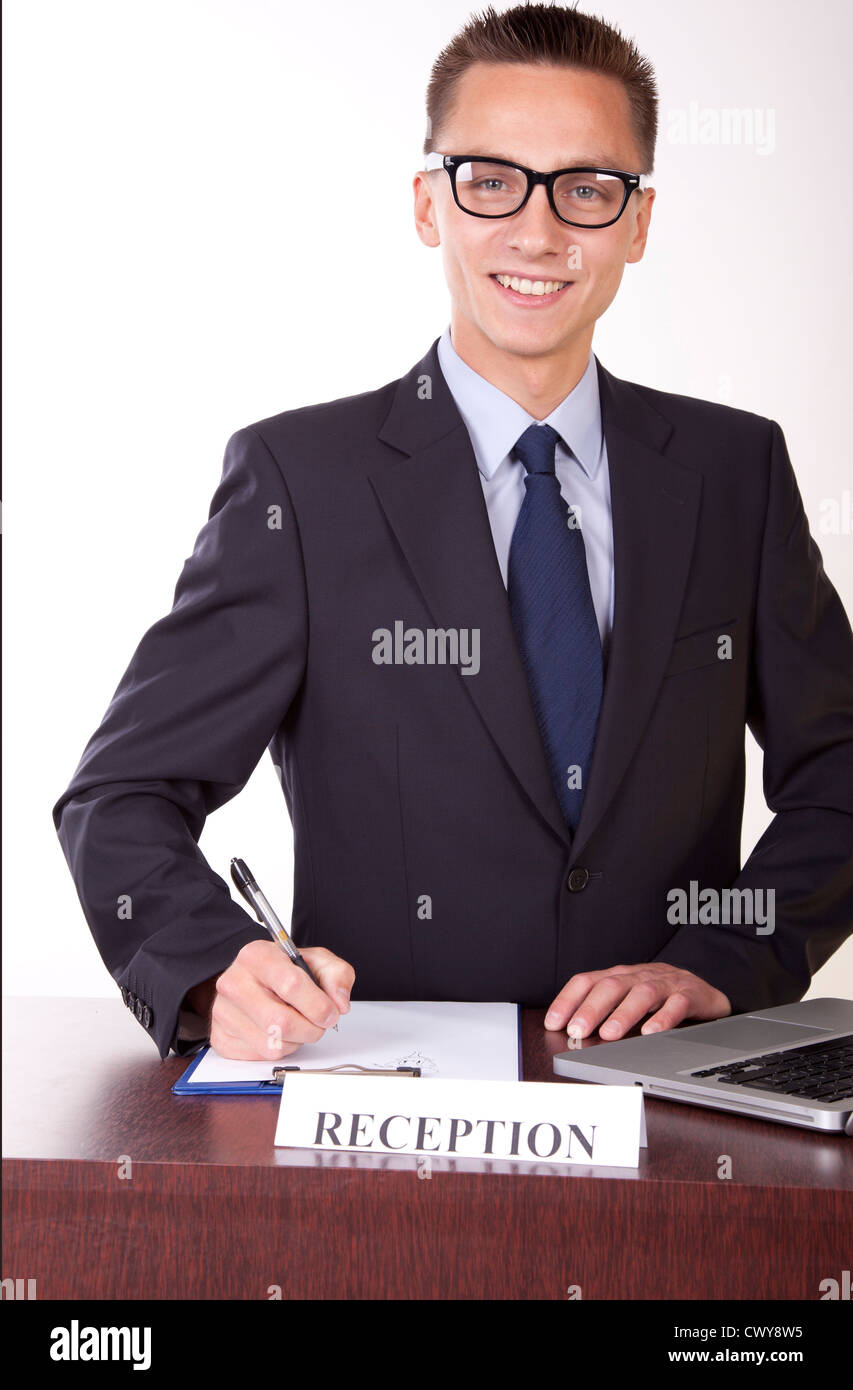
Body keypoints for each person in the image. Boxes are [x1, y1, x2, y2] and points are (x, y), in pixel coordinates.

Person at [53, 3, 853, 1063]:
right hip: (383, 1112)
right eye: (489, 179)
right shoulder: (303, 480)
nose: (537, 231)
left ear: (637, 222)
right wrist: (211, 966)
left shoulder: (732, 471)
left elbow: (839, 767)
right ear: (428, 205)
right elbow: (122, 794)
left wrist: (728, 958)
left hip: (671, 1110)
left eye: (585, 187)